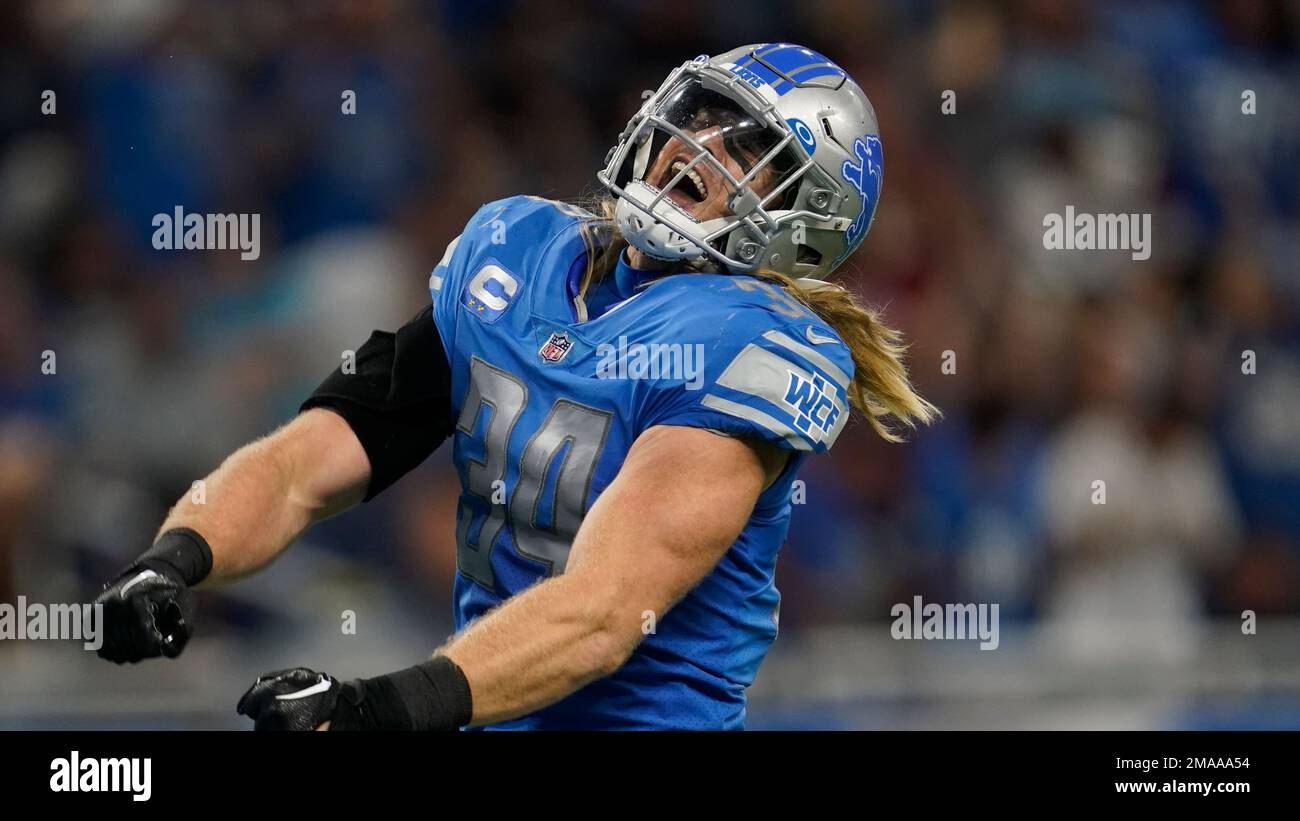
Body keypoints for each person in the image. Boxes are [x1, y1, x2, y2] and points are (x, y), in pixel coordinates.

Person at [93, 43, 936, 730]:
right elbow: (310, 456)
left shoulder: (743, 343)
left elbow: (604, 614)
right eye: (701, 115)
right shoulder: (519, 250)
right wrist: (173, 559)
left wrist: (371, 708)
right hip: (487, 710)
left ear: (806, 225)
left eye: (747, 148)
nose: (697, 145)